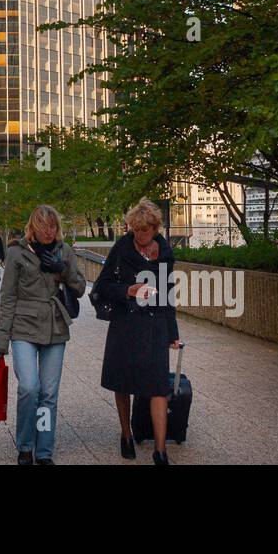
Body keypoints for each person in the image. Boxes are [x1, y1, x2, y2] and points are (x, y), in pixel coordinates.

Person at [0, 205, 86, 465]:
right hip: (23, 326)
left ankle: (43, 451)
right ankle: (24, 445)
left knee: (49, 393)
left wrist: (63, 269)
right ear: (34, 227)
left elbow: (79, 287)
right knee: (29, 387)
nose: (49, 231)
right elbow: (8, 296)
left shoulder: (64, 251)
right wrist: (2, 336)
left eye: (53, 226)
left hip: (55, 327)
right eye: (44, 226)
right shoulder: (16, 252)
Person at [94, 198, 182, 465]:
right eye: (135, 229)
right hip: (126, 324)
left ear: (155, 228)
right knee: (123, 383)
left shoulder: (165, 252)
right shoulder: (121, 247)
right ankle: (126, 435)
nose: (139, 234)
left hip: (154, 326)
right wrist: (127, 291)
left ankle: (160, 450)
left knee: (158, 386)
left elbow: (167, 295)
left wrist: (172, 332)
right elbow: (102, 285)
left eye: (144, 230)